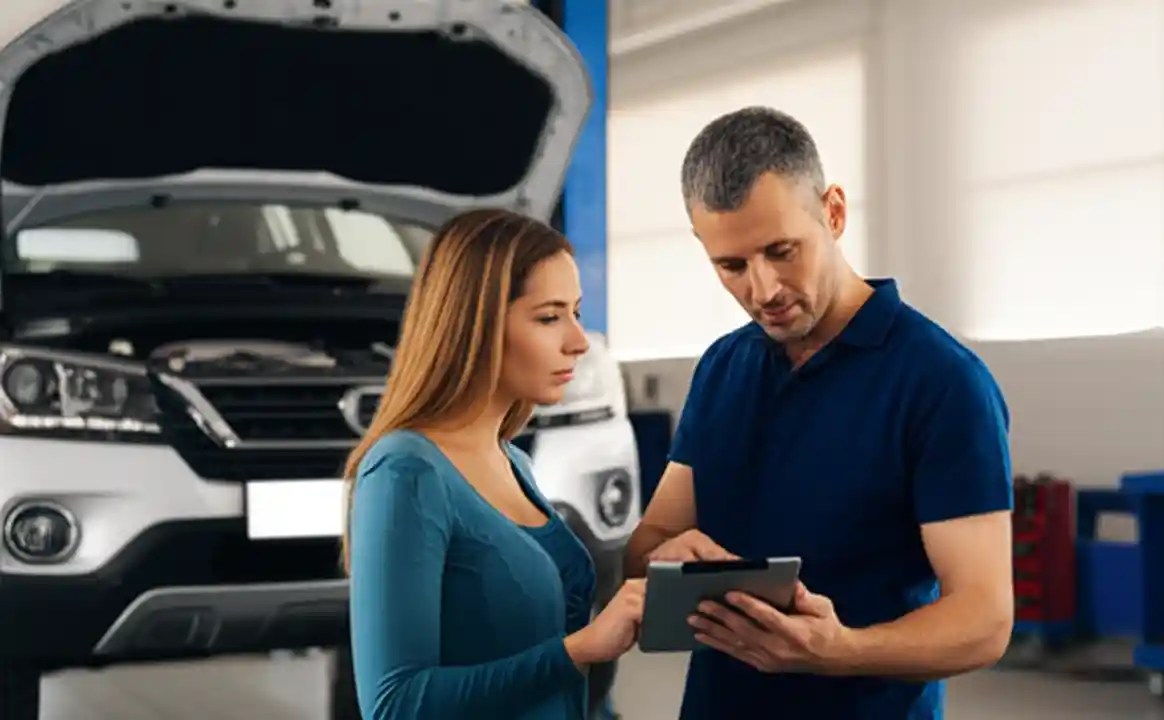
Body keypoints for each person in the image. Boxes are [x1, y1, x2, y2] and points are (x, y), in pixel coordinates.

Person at [624, 106, 1015, 718]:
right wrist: (665, 558)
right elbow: (646, 544)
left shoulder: (942, 383)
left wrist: (840, 651)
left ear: (832, 212)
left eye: (782, 251)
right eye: (732, 266)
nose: (764, 290)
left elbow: (984, 620)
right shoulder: (723, 367)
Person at [342, 208, 645, 720]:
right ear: (474, 325)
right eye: (549, 318)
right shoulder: (405, 473)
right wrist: (579, 651)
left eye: (575, 312)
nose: (578, 341)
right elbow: (394, 705)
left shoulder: (514, 463)